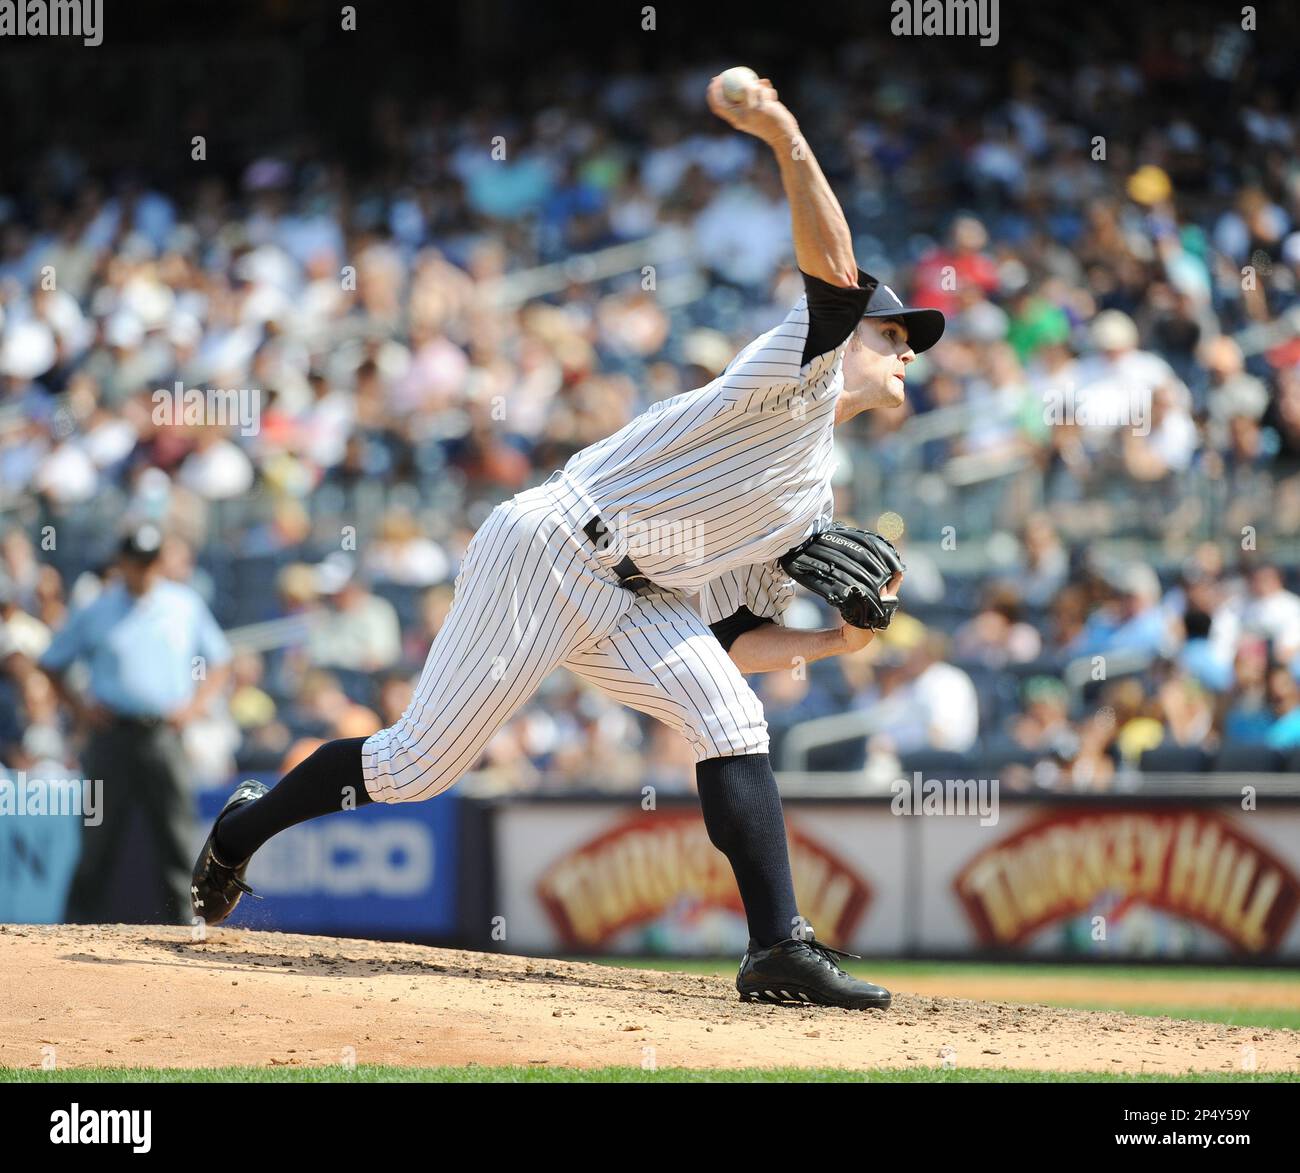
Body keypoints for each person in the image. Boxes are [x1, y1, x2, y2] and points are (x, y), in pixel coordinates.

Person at [192, 73, 944, 1011]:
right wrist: (784, 131)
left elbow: (734, 643)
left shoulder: (809, 499)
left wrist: (834, 643)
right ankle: (243, 830)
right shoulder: (798, 373)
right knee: (413, 767)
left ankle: (777, 950)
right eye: (894, 329)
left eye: (914, 335)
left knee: (732, 718)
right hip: (549, 546)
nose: (908, 344)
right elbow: (835, 269)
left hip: (639, 597)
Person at [40, 523, 232, 923]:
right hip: (111, 736)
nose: (143, 571)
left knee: (177, 838)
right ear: (122, 563)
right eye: (135, 562)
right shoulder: (98, 609)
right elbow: (53, 662)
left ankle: (190, 927)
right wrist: (80, 709)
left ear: (159, 563)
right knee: (96, 840)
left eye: (149, 562)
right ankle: (76, 927)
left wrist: (194, 707)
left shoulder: (184, 605)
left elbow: (219, 659)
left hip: (164, 733)